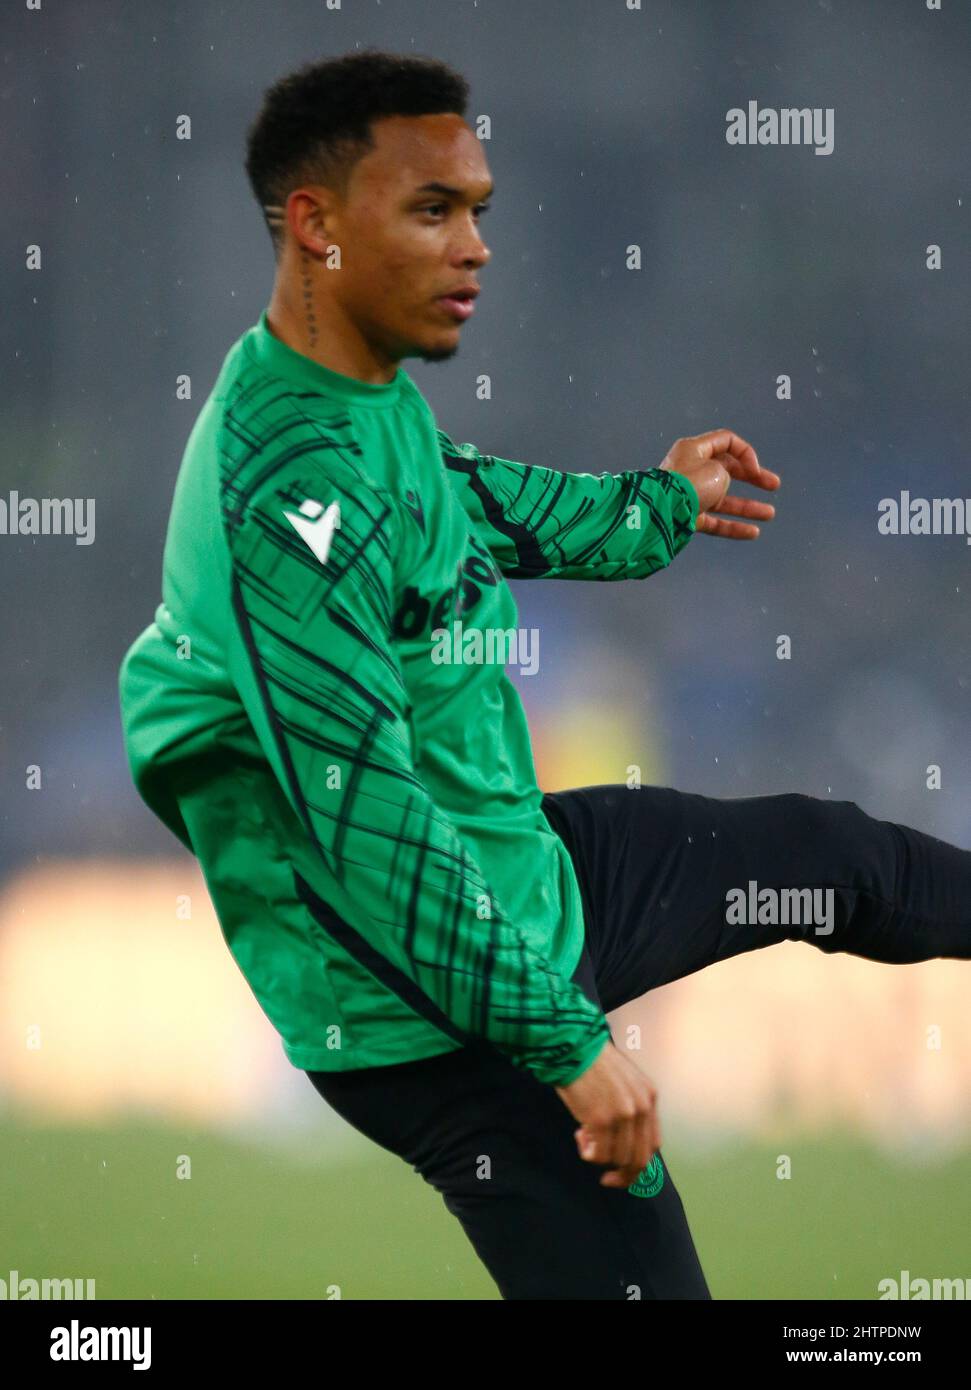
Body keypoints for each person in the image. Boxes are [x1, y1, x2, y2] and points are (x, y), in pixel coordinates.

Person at [118, 49, 971, 1300]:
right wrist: (570, 1048)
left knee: (830, 858)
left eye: (477, 209)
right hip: (426, 1007)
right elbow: (366, 828)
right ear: (315, 225)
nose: (474, 245)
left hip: (519, 872)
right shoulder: (282, 486)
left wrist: (656, 506)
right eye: (431, 209)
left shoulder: (363, 398)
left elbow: (467, 502)